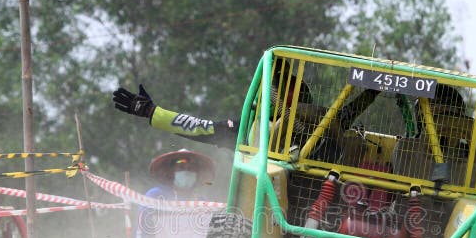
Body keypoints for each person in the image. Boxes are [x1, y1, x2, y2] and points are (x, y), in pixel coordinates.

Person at [112, 70, 379, 162]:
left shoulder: (324, 127)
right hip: (267, 203)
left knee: (353, 142)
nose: (289, 95)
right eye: (282, 88)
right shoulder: (250, 130)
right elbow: (200, 127)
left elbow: (345, 113)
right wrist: (151, 112)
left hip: (329, 199)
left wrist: (373, 90)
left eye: (293, 89)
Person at [135, 149, 215, 238]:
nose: (187, 171)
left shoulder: (202, 202)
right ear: (171, 172)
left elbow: (210, 237)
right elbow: (143, 232)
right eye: (181, 166)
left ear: (197, 174)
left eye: (192, 168)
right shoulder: (155, 196)